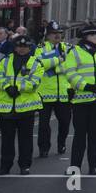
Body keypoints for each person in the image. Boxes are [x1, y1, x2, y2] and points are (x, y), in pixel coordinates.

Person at [66, 26, 96, 176]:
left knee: (95, 134)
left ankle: (94, 165)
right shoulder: (74, 52)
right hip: (81, 100)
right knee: (80, 134)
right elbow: (70, 72)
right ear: (87, 36)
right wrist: (86, 86)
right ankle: (75, 167)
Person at [0, 34, 43, 175]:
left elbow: (34, 82)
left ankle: (24, 165)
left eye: (25, 46)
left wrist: (18, 87)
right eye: (19, 46)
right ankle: (5, 165)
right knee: (7, 139)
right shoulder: (6, 61)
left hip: (26, 106)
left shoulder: (36, 63)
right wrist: (7, 87)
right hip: (6, 106)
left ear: (29, 48)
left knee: (25, 139)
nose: (22, 49)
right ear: (15, 47)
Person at [34, 21, 73, 157]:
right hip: (45, 92)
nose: (57, 36)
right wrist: (58, 60)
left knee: (65, 122)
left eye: (59, 34)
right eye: (54, 34)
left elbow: (71, 65)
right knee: (44, 125)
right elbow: (39, 64)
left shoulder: (68, 48)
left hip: (64, 92)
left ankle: (61, 143)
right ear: (48, 35)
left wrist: (55, 67)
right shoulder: (40, 48)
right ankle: (44, 148)